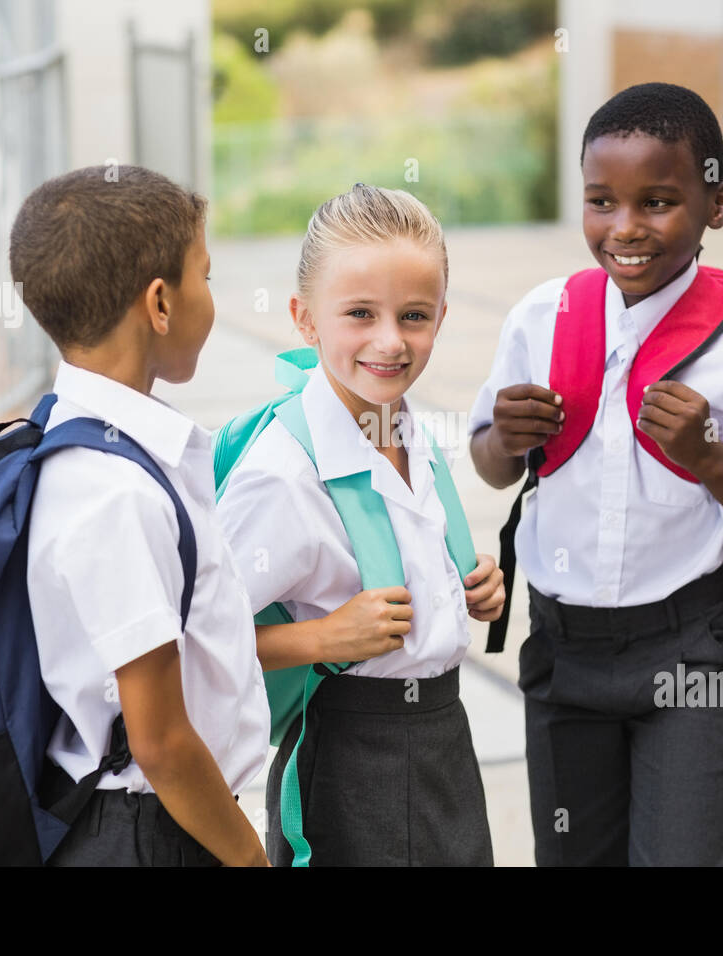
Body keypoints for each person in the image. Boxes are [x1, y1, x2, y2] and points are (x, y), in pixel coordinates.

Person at [468, 83, 723, 866]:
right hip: (563, 653)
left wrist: (711, 460)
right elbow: (491, 465)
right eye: (602, 201)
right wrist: (504, 440)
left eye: (658, 201)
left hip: (690, 653)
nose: (625, 229)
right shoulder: (542, 317)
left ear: (716, 204)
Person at [216, 184, 505, 866]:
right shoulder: (284, 472)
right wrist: (321, 636)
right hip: (353, 760)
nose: (389, 341)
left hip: (442, 741)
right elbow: (192, 633)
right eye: (359, 314)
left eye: (413, 315)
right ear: (304, 318)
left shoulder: (406, 428)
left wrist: (466, 585)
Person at [13, 165, 270, 866]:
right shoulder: (115, 495)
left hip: (148, 820)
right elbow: (159, 742)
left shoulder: (75, 433)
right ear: (160, 303)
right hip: (151, 832)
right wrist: (249, 858)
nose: (210, 298)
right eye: (206, 277)